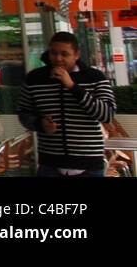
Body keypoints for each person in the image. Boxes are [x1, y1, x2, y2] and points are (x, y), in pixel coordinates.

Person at [16, 31, 116, 177]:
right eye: (54, 53)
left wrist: (72, 86)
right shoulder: (35, 79)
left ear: (76, 55)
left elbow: (107, 115)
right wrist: (40, 124)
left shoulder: (94, 77)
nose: (58, 59)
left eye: (64, 54)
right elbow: (24, 112)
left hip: (88, 165)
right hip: (50, 164)